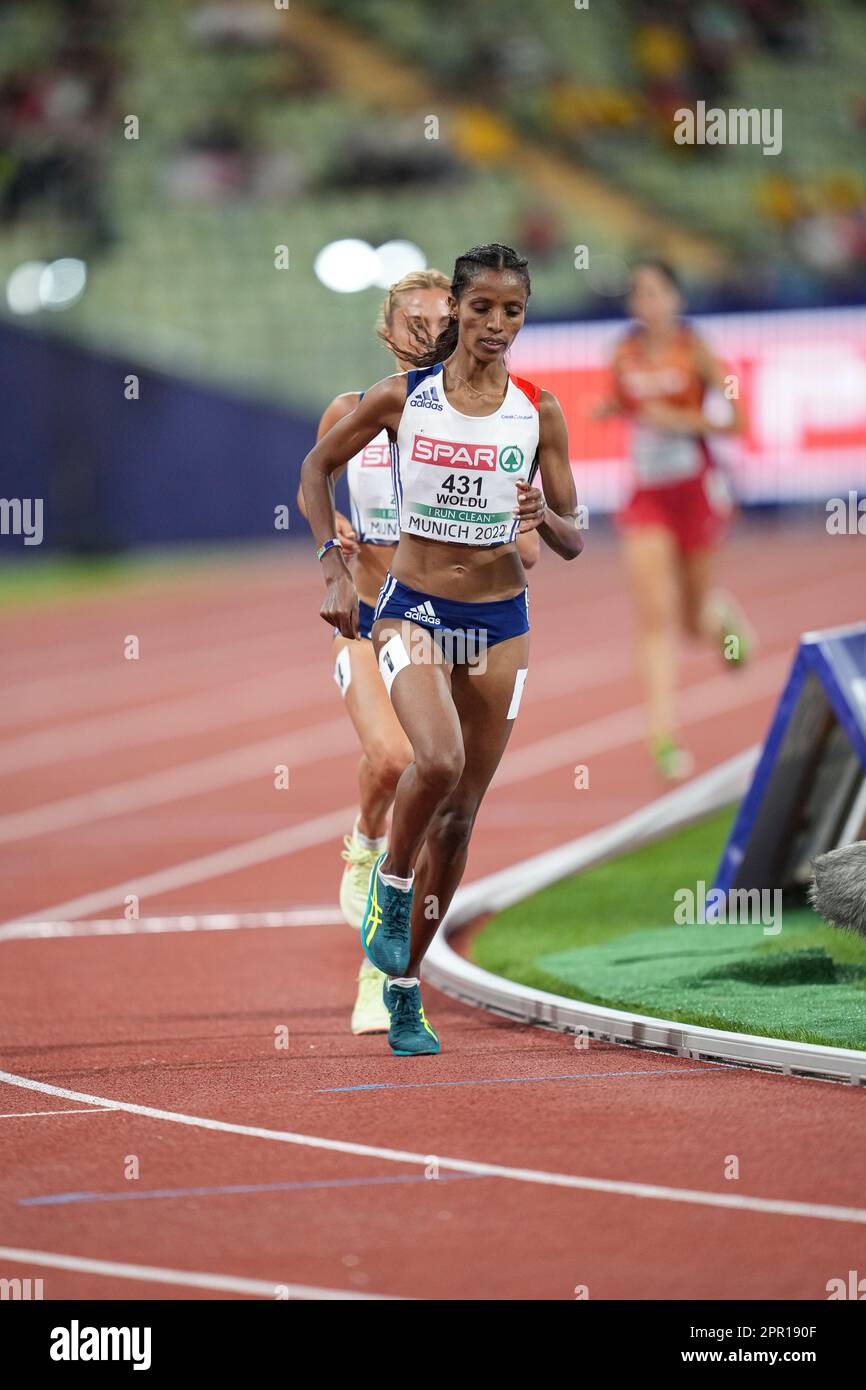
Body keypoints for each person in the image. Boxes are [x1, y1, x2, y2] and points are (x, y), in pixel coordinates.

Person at [301, 243, 582, 1056]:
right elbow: (316, 468)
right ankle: (388, 885)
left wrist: (542, 522)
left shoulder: (540, 410)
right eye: (483, 308)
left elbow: (573, 538)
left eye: (514, 311)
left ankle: (400, 984)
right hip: (410, 609)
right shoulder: (399, 399)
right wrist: (331, 568)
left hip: (501, 622)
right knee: (432, 761)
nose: (497, 324)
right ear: (460, 310)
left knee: (459, 821)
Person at [594, 259, 753, 779]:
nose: (647, 301)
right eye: (638, 292)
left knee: (692, 617)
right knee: (656, 617)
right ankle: (663, 738)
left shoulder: (697, 351)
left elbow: (736, 418)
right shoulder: (623, 352)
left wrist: (683, 419)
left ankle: (723, 622)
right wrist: (611, 408)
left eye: (657, 291)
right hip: (647, 497)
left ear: (676, 298)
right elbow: (621, 399)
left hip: (697, 491)